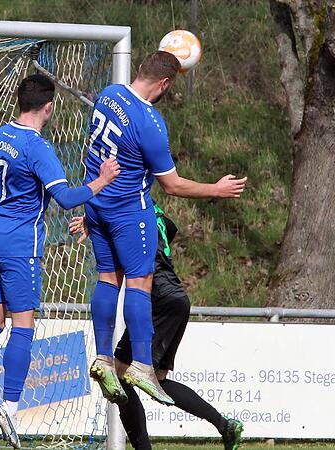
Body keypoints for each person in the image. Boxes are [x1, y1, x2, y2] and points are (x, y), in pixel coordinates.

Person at [0, 73, 120, 449]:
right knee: (23, 326)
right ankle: (9, 408)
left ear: (20, 102)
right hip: (21, 248)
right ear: (48, 107)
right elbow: (67, 198)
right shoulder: (39, 149)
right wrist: (101, 181)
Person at [82, 51, 246, 406]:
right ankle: (142, 364)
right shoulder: (151, 123)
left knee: (108, 279)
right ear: (165, 83)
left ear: (141, 69)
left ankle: (103, 358)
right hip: (128, 211)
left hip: (95, 204)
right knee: (141, 282)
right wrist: (216, 190)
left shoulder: (107, 94)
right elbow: (171, 185)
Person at [70, 205, 244, 450]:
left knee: (121, 374)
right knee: (154, 378)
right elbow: (170, 229)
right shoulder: (154, 210)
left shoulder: (124, 212)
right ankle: (225, 426)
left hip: (155, 300)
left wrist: (93, 223)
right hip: (177, 299)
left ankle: (144, 447)